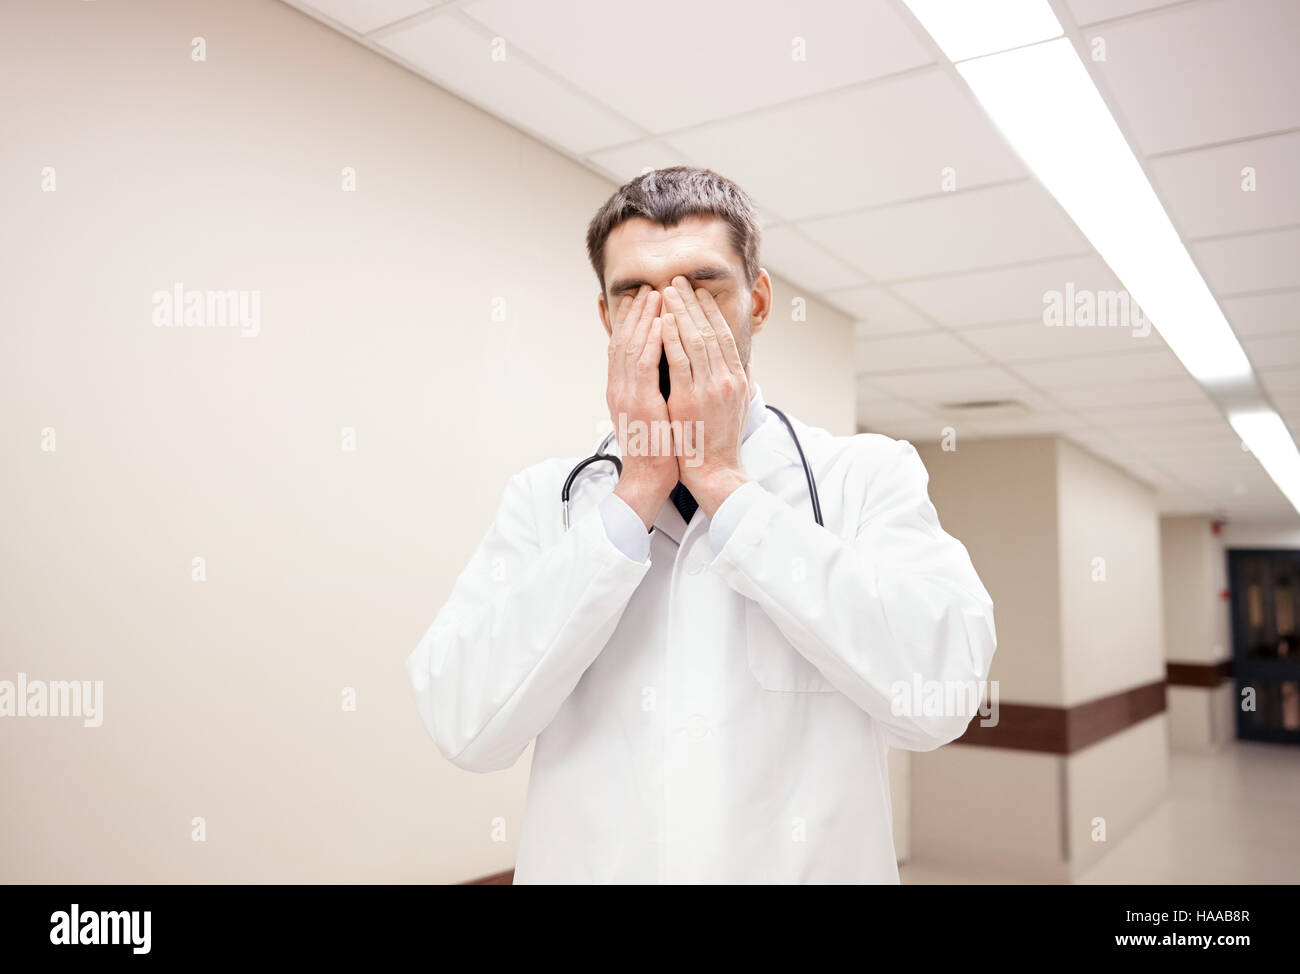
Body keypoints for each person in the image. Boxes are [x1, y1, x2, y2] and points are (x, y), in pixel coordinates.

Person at [405, 166, 997, 883]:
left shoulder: (862, 477)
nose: (668, 318)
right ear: (605, 318)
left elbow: (941, 698)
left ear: (759, 300)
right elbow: (465, 726)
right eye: (635, 293)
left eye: (702, 287)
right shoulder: (546, 501)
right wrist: (634, 496)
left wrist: (724, 484)